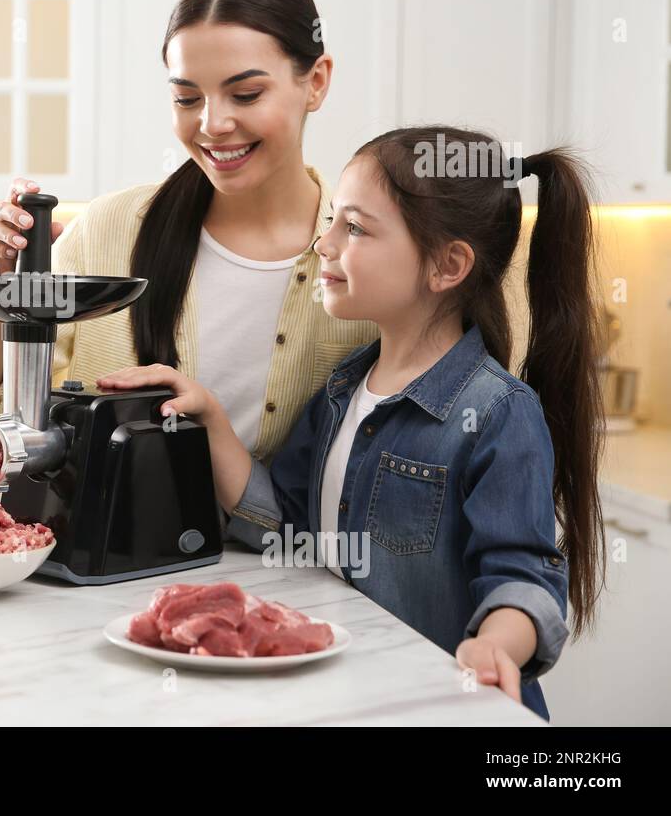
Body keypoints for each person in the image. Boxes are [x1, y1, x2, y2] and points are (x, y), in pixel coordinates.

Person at [99, 127, 606, 720]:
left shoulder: (498, 414)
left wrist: (495, 645)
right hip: (364, 701)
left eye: (356, 228)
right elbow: (285, 526)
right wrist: (209, 417)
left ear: (448, 266)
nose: (324, 242)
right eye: (333, 218)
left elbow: (523, 580)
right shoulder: (344, 388)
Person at [0, 0, 377, 472]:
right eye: (187, 98)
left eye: (246, 94)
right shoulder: (109, 228)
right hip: (106, 552)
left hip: (289, 555)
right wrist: (2, 293)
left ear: (315, 82)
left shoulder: (370, 252)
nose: (213, 124)